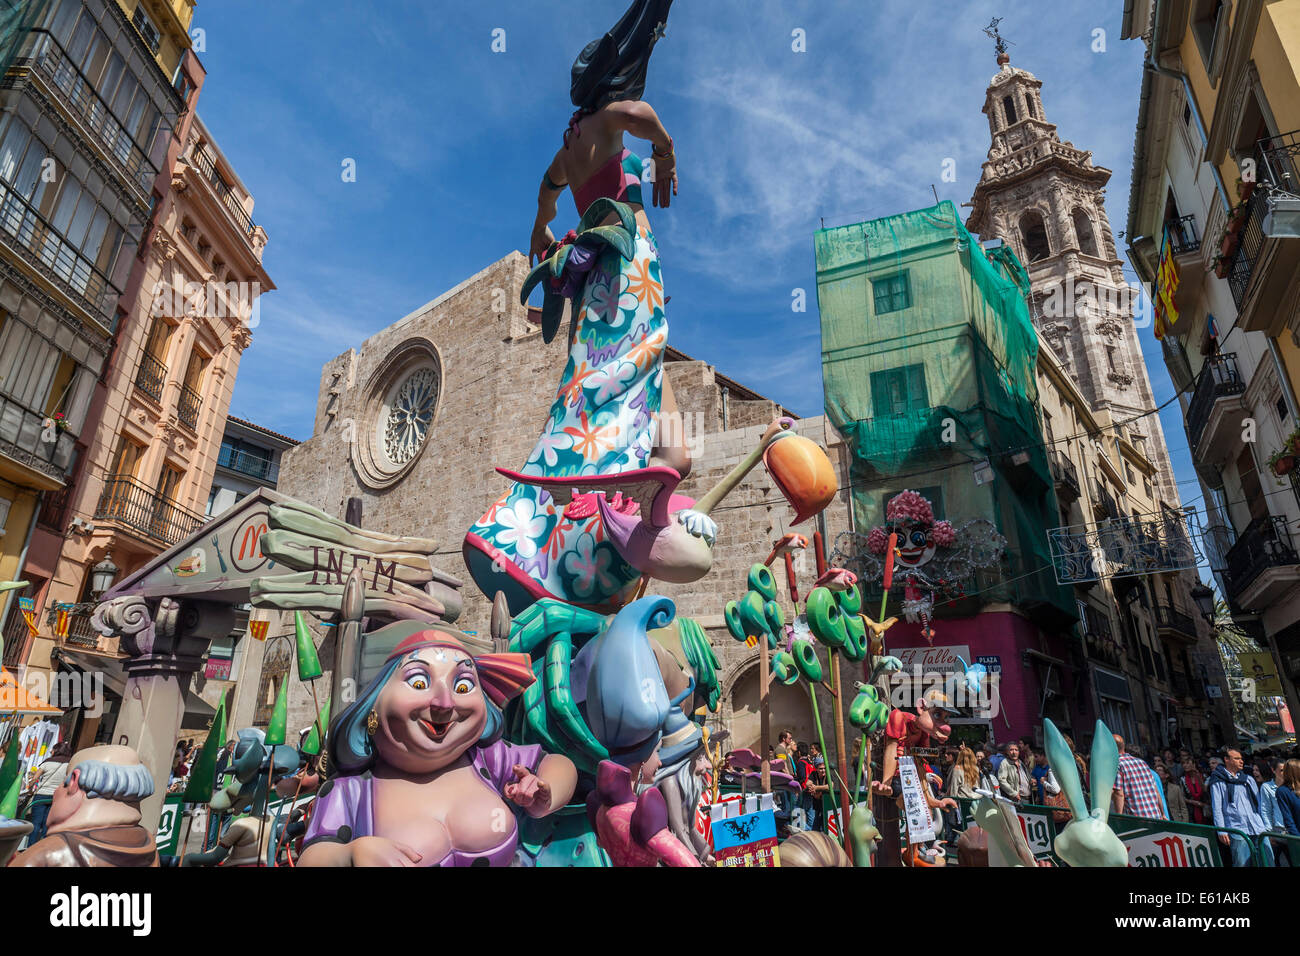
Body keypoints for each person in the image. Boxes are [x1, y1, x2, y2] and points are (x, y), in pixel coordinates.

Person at [8, 745, 158, 867]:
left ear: (73, 781)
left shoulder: (50, 853)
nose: (56, 791)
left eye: (64, 781)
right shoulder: (147, 845)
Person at [1208, 748, 1274, 867]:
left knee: (1268, 860)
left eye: (1241, 758)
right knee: (1242, 863)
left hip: (1257, 826)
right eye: (1237, 758)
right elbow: (1217, 807)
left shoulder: (1248, 779)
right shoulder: (1218, 780)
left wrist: (1265, 825)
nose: (1241, 761)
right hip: (1236, 827)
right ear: (1226, 760)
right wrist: (1221, 830)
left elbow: (1259, 804)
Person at [1112, 734, 1168, 820]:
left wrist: (1119, 818)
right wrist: (1163, 814)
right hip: (1155, 816)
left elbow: (1119, 794)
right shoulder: (1142, 762)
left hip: (1137, 821)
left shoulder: (1118, 765)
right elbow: (1156, 791)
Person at [24, 740, 71, 843]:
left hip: (41, 796)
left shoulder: (48, 762)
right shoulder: (70, 764)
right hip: (56, 797)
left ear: (56, 750)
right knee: (47, 824)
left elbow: (34, 779)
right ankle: (42, 846)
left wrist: (29, 790)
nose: (51, 751)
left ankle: (30, 847)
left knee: (36, 823)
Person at [1182, 758, 1208, 824]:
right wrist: (1193, 802)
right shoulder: (1182, 779)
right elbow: (1182, 796)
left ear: (1194, 764)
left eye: (1187, 763)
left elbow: (1205, 790)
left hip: (1205, 808)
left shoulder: (1204, 776)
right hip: (1191, 809)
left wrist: (1198, 776)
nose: (1185, 765)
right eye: (1183, 763)